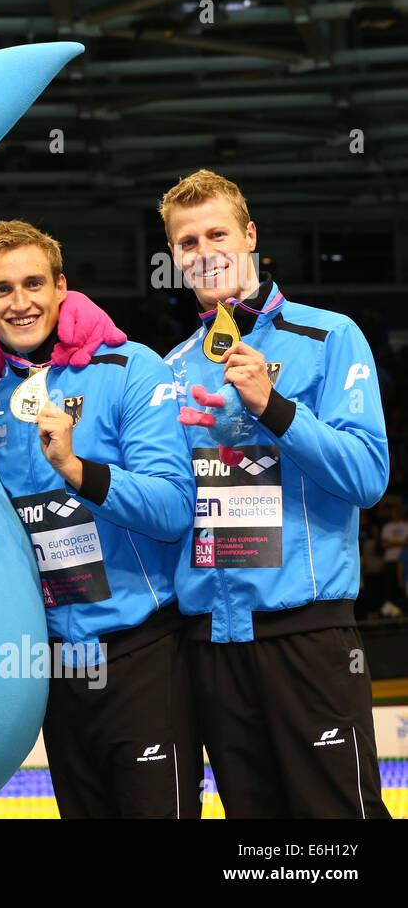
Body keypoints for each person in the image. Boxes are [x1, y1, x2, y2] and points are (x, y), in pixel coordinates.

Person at [161, 169, 390, 818]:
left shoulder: (330, 336)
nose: (204, 253)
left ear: (250, 236)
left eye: (217, 234)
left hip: (306, 633)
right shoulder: (174, 368)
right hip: (211, 643)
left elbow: (369, 478)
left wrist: (275, 407)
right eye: (186, 243)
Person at [0, 220, 199, 818]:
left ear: (62, 285)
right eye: (1, 290)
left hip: (142, 655)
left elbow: (174, 509)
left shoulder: (131, 368)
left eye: (33, 283)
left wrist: (75, 467)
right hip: (56, 668)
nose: (20, 303)